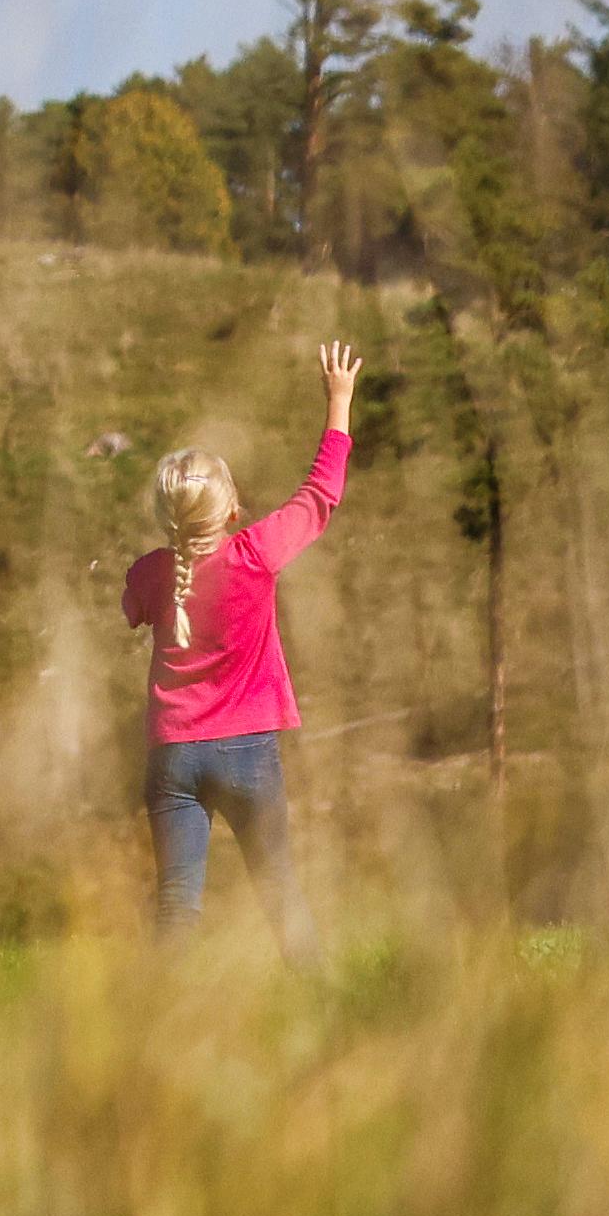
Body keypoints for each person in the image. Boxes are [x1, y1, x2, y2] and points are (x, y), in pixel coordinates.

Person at [123, 337, 363, 959]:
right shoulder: (254, 555)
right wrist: (338, 402)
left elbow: (133, 610)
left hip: (172, 755)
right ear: (230, 509)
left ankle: (155, 1031)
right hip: (247, 752)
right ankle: (317, 1004)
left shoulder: (148, 574)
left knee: (177, 903)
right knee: (278, 885)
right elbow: (319, 497)